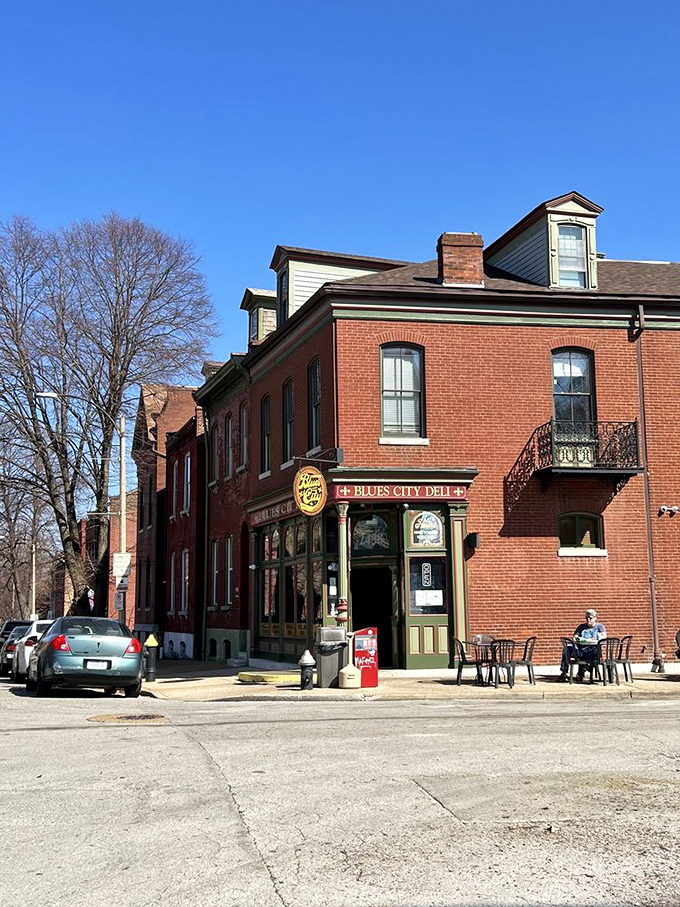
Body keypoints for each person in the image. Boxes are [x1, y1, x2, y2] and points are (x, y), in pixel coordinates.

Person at [558, 608, 607, 681]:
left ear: (595, 618)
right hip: (581, 650)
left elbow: (604, 637)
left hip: (592, 651)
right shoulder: (581, 627)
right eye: (586, 618)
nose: (588, 620)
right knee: (567, 648)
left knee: (593, 650)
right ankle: (564, 672)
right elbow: (574, 637)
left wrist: (594, 640)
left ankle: (582, 671)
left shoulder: (600, 627)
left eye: (590, 618)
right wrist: (578, 639)